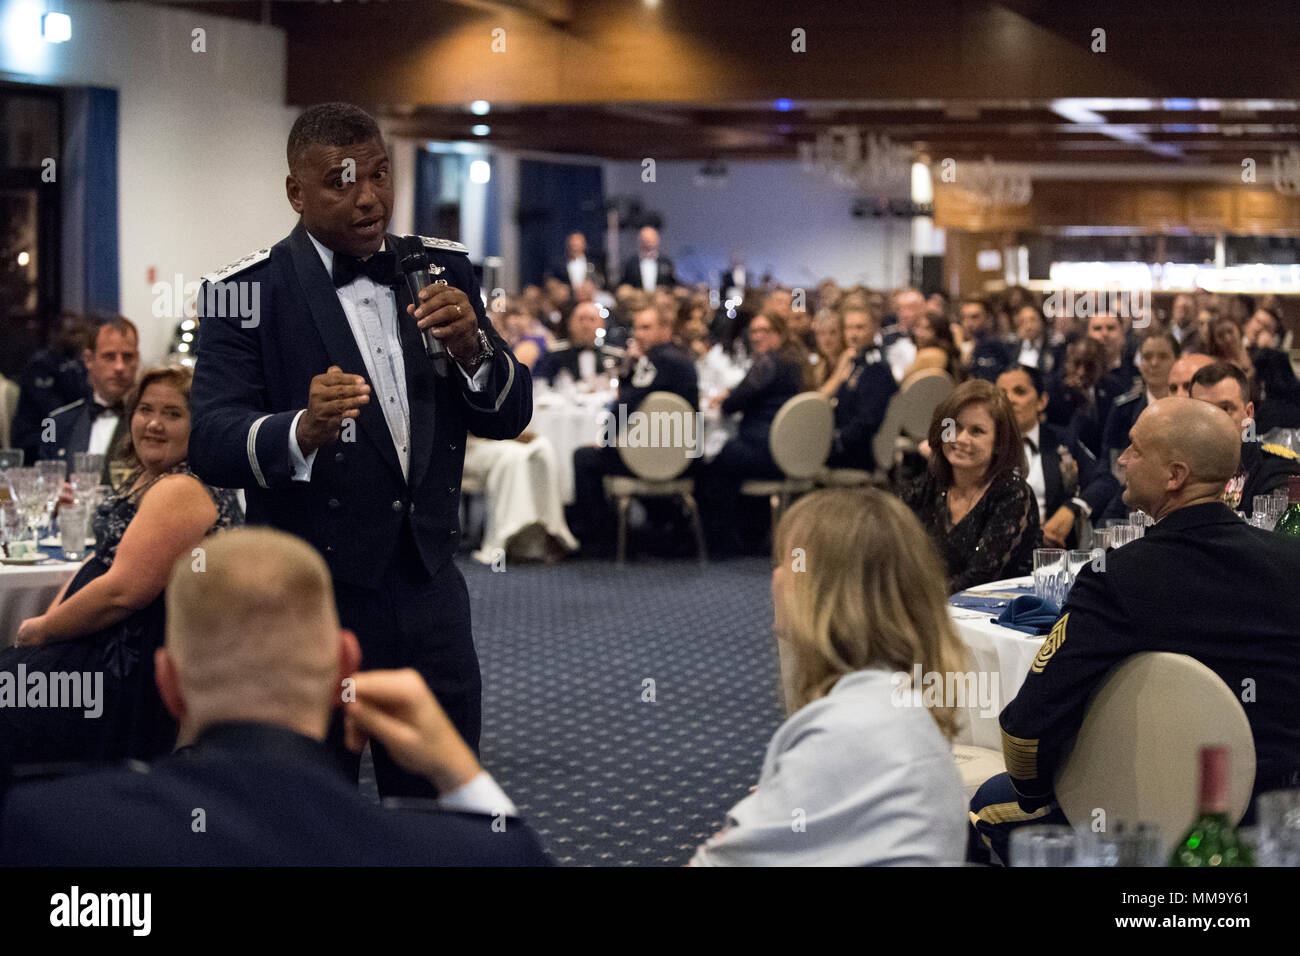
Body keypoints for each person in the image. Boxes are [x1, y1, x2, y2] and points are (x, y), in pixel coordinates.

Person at [187, 102, 531, 798]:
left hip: (431, 584)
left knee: (442, 806)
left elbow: (510, 414)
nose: (369, 197)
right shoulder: (243, 294)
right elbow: (210, 439)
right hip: (311, 595)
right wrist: (298, 430)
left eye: (378, 174)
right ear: (296, 192)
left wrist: (474, 350)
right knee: (311, 808)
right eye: (342, 182)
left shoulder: (442, 272)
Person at [0, 527, 551, 866]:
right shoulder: (445, 854)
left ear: (168, 683)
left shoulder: (50, 829)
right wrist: (462, 776)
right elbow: (516, 856)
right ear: (347, 666)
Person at [970, 398, 1300, 865]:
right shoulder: (1291, 562)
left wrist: (1044, 791)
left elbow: (1027, 731)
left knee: (985, 806)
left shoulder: (1119, 577)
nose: (1122, 459)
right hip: (1276, 815)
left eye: (1136, 449)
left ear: (1175, 476)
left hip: (1148, 817)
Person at [690, 489, 968, 865]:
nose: (773, 578)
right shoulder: (894, 702)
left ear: (829, 594)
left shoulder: (846, 730)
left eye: (785, 563)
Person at [1, 366, 243, 769]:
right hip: (98, 647)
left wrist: (41, 629)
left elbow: (121, 593)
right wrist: (48, 626)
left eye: (172, 414)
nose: (153, 424)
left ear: (199, 426)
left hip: (123, 669)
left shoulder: (182, 488)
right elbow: (100, 563)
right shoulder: (152, 478)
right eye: (145, 409)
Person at [567, 305, 699, 557]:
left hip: (654, 455)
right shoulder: (681, 358)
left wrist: (606, 439)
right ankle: (652, 530)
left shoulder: (659, 360)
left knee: (583, 458)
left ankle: (602, 539)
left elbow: (626, 403)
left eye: (646, 327)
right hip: (685, 455)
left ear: (666, 329)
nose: (639, 334)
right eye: (636, 327)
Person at [901, 379, 1040, 592]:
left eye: (976, 431)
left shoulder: (1013, 493)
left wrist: (910, 599)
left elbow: (979, 580)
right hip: (928, 608)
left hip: (987, 616)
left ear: (999, 443)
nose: (961, 439)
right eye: (954, 427)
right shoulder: (933, 481)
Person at [698, 311, 809, 556]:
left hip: (769, 449)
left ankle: (717, 541)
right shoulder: (793, 361)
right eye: (754, 331)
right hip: (788, 449)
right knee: (727, 456)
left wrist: (726, 398)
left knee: (712, 458)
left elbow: (733, 404)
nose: (757, 337)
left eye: (764, 331)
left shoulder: (769, 362)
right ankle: (749, 533)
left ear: (779, 334)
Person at [995, 365, 1114, 550]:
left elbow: (1106, 481)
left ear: (1041, 401)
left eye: (1019, 392)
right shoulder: (985, 445)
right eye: (1002, 394)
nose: (1010, 399)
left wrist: (1073, 507)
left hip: (1050, 555)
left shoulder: (1062, 441)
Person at [36, 316, 140, 485]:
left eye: (127, 357)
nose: (119, 367)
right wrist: (54, 495)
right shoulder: (57, 423)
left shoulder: (149, 425)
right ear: (89, 360)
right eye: (109, 357)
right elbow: (43, 481)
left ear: (137, 359)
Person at [1190, 362, 1300, 515]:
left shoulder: (1277, 471)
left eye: (1225, 409)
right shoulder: (1178, 471)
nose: (1214, 420)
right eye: (1203, 410)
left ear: (1248, 414)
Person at [8, 312, 90, 463]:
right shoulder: (40, 365)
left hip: (62, 430)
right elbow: (53, 410)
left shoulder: (80, 365)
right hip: (38, 434)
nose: (79, 338)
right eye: (73, 333)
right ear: (57, 334)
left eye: (81, 332)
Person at [824, 306, 897, 473]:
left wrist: (834, 442)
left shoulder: (877, 368)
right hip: (845, 447)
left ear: (873, 329)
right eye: (849, 328)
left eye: (859, 327)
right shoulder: (856, 363)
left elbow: (867, 422)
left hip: (857, 455)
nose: (853, 334)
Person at [1098, 330, 1179, 478]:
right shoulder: (1123, 408)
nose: (1154, 363)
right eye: (1147, 357)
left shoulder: (1187, 406)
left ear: (1177, 361)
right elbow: (1110, 462)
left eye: (1163, 356)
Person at [533, 301, 625, 386]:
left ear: (602, 325)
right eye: (581, 319)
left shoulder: (616, 356)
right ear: (570, 324)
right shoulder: (553, 354)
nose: (586, 325)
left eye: (592, 320)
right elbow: (540, 386)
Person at [957, 297, 1011, 382]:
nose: (968, 323)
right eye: (964, 317)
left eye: (974, 317)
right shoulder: (958, 347)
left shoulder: (1000, 348)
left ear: (988, 318)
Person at [904, 311, 963, 382]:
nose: (919, 333)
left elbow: (905, 380)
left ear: (939, 333)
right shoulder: (926, 352)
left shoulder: (931, 355)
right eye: (918, 327)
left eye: (927, 329)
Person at [618, 226, 677, 293]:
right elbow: (625, 284)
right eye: (645, 240)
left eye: (651, 239)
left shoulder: (666, 262)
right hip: (637, 299)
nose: (648, 243)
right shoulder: (630, 263)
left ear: (657, 240)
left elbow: (672, 283)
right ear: (639, 241)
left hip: (661, 299)